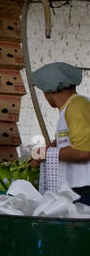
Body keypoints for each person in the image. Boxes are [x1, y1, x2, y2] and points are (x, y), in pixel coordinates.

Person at [29, 61, 90, 191]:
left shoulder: (77, 106)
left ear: (48, 91)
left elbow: (83, 152)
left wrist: (46, 153)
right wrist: (40, 154)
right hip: (76, 186)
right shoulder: (70, 107)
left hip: (85, 186)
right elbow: (67, 139)